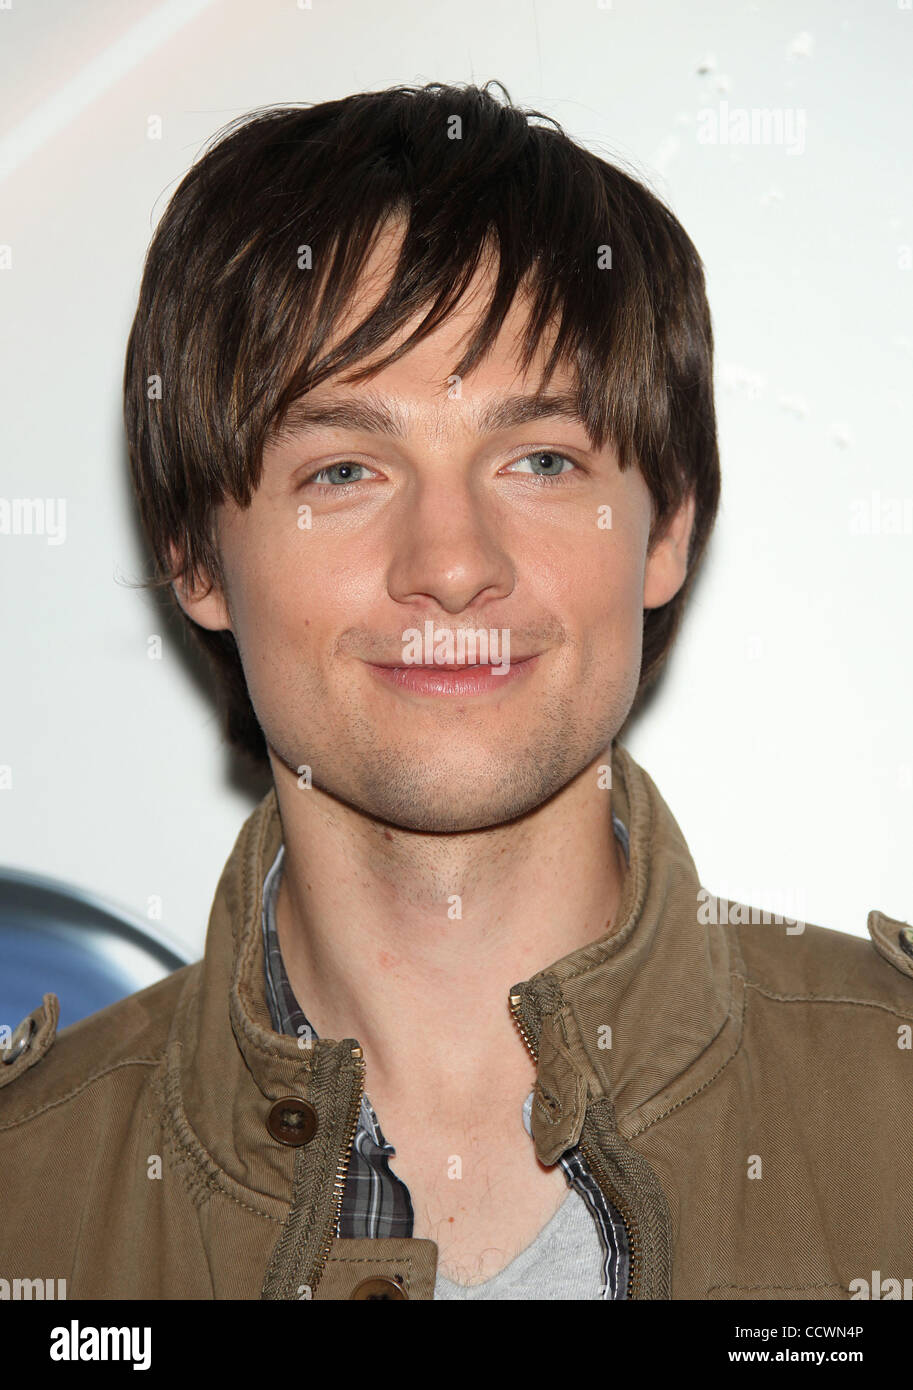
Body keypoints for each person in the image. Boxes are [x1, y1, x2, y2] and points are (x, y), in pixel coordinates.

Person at [1, 81, 910, 1302]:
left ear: (667, 530)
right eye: (343, 467)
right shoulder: (27, 1196)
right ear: (194, 557)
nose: (451, 563)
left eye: (540, 459)